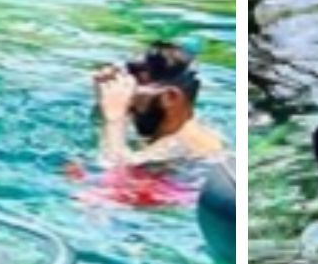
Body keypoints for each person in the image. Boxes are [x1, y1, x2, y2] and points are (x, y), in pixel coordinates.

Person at [93, 40, 227, 170]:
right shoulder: (178, 130)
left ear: (170, 98)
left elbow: (115, 171)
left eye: (130, 90)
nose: (126, 100)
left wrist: (114, 119)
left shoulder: (181, 146)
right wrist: (102, 101)